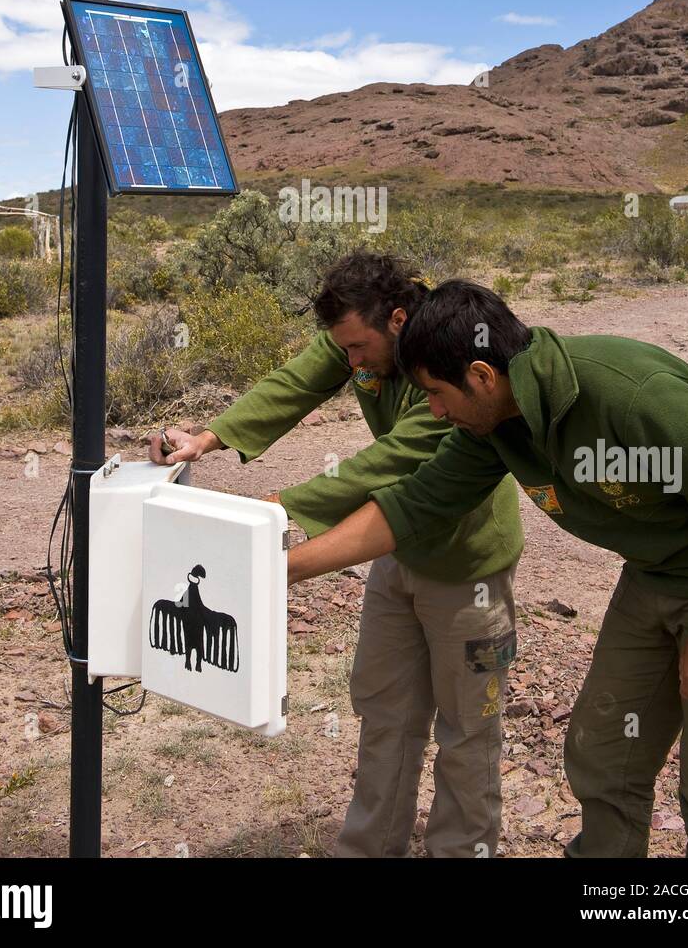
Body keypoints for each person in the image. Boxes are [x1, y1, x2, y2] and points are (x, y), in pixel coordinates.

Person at [286, 278, 688, 859]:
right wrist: (287, 567)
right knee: (604, 755)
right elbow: (412, 504)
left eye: (437, 394)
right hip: (653, 576)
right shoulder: (494, 426)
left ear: (483, 377)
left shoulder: (631, 392)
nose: (433, 411)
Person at [151, 251, 522, 857]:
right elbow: (294, 383)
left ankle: (461, 850)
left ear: (399, 320)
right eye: (341, 349)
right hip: (394, 551)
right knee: (385, 713)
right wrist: (207, 437)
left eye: (356, 349)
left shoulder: (449, 365)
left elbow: (386, 462)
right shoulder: (362, 338)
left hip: (467, 566)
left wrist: (279, 509)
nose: (349, 363)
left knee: (468, 730)